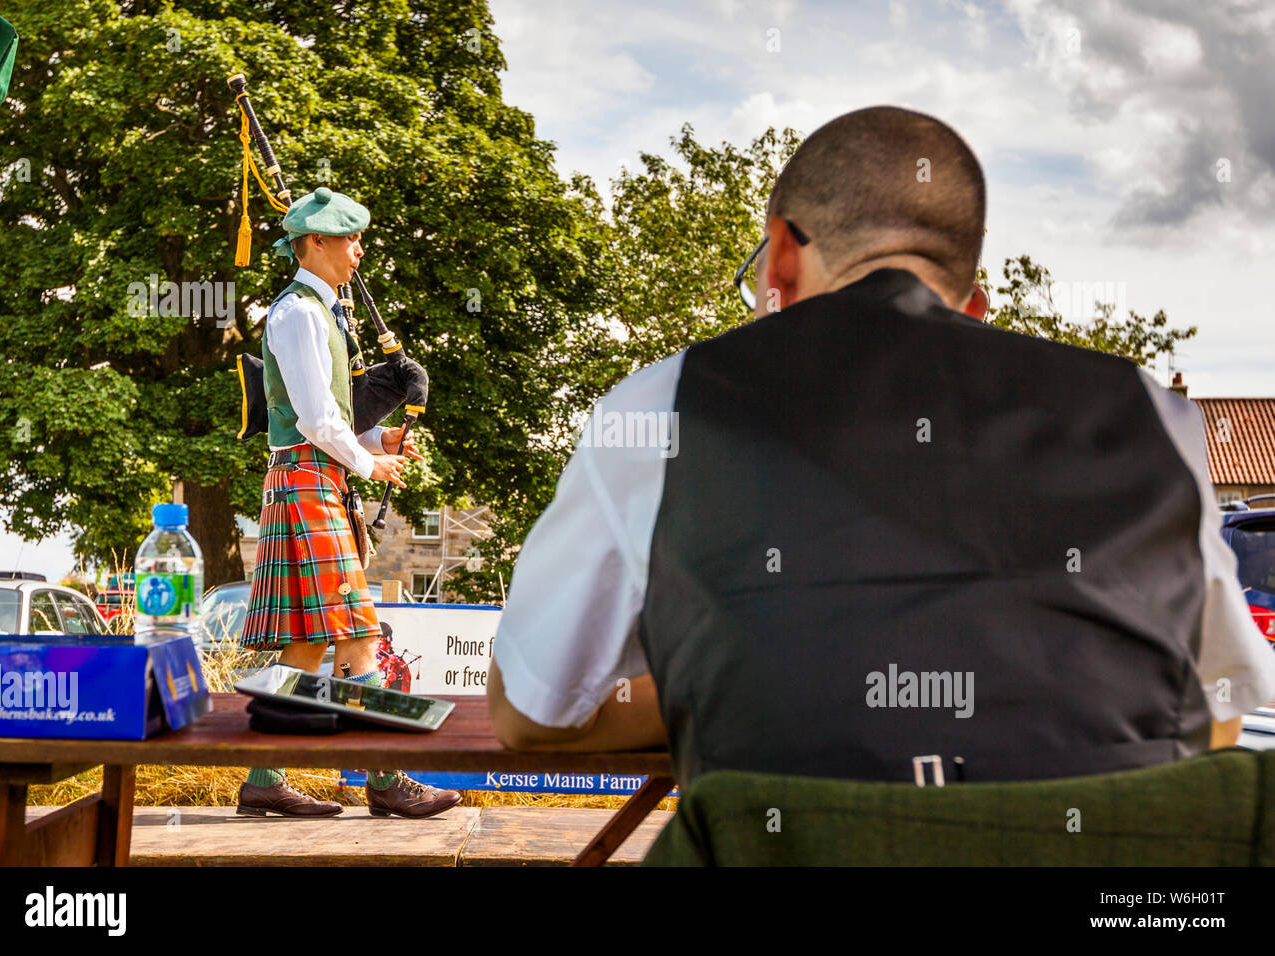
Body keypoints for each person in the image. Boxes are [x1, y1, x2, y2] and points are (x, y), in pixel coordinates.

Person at [486, 106, 1275, 788]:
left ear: (782, 257)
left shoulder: (665, 405)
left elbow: (533, 713)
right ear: (976, 305)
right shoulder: (1151, 414)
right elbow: (1217, 712)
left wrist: (746, 687)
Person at [238, 187, 461, 818]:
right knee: (359, 637)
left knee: (309, 643)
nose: (359, 251)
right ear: (315, 243)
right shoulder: (299, 314)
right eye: (350, 239)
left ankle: (260, 779)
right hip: (308, 480)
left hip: (311, 479)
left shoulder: (323, 311)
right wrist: (371, 462)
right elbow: (313, 419)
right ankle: (389, 780)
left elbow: (330, 417)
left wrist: (375, 437)